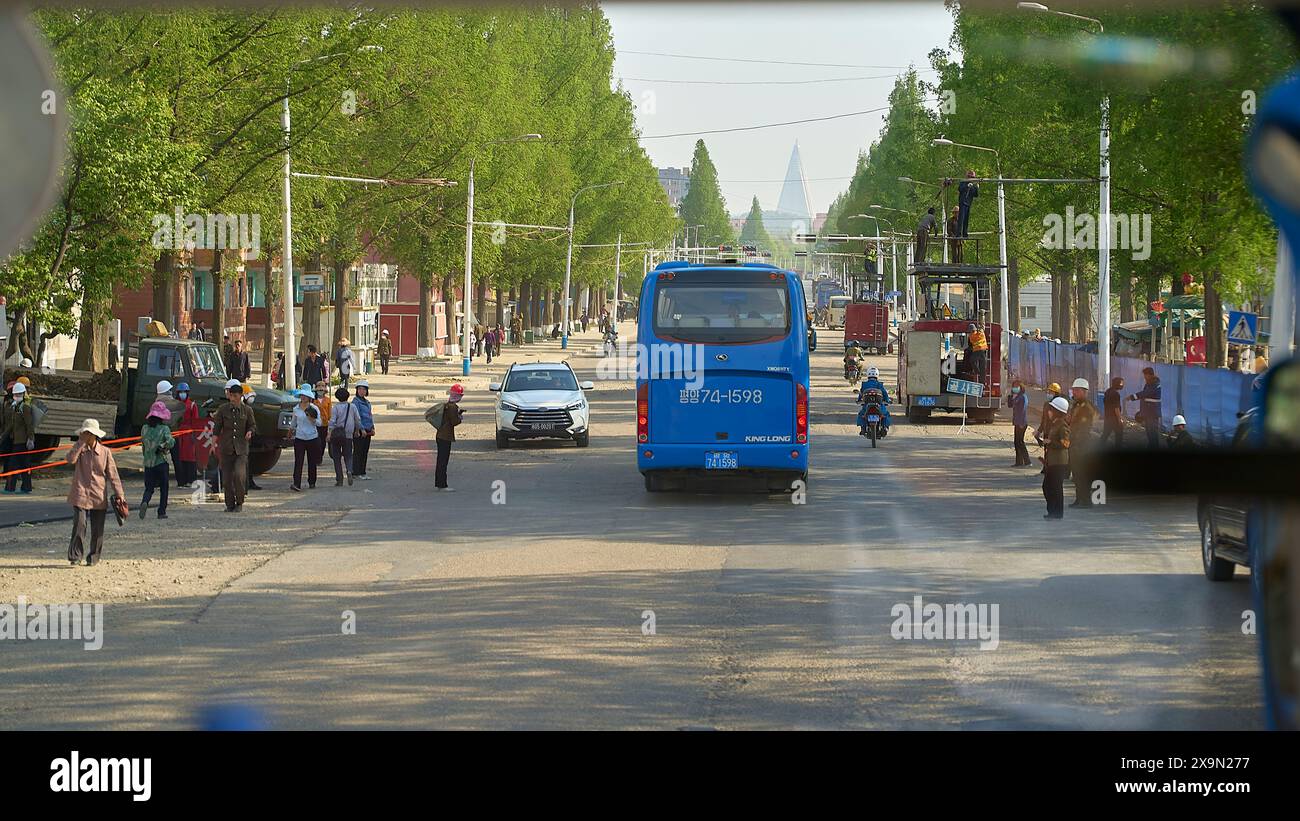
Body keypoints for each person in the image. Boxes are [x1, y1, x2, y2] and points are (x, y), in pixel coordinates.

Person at [66, 419, 126, 566]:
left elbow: (113, 474)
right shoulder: (80, 449)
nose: (86, 435)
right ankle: (75, 556)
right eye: (84, 433)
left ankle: (94, 557)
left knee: (97, 529)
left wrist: (120, 494)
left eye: (88, 433)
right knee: (80, 525)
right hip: (80, 493)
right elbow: (70, 459)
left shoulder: (105, 452)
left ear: (94, 435)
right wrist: (80, 443)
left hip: (98, 495)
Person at [211, 379, 255, 512]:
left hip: (241, 449)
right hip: (227, 448)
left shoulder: (247, 410)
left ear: (241, 396)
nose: (233, 398)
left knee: (239, 475)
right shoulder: (223, 410)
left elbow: (252, 425)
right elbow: (217, 429)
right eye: (231, 395)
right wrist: (213, 445)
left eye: (235, 396)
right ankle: (229, 504)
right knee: (227, 479)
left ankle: (240, 502)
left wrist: (249, 432)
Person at [1066, 378, 1099, 509]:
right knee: (1076, 474)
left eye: (1077, 391)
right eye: (1073, 390)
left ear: (1084, 392)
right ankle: (1079, 498)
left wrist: (1077, 442)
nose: (1074, 393)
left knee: (1082, 473)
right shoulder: (1076, 405)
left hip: (1082, 445)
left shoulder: (1087, 407)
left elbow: (1084, 428)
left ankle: (1086, 500)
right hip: (1074, 443)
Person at [138, 400, 173, 520]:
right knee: (164, 488)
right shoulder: (164, 429)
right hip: (161, 462)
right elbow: (170, 442)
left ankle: (145, 501)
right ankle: (161, 511)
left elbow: (143, 445)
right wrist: (162, 446)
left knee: (149, 488)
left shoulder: (144, 428)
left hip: (148, 463)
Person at [0, 382, 36, 494]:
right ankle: (26, 488)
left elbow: (29, 424)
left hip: (22, 441)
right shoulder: (16, 406)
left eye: (19, 394)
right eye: (15, 394)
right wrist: (3, 436)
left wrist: (30, 439)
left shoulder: (25, 407)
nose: (16, 396)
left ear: (23, 394)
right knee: (24, 465)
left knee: (13, 465)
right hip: (16, 440)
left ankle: (10, 488)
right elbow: (11, 425)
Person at [1040, 397, 1071, 519]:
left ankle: (1057, 513)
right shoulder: (1055, 424)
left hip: (1059, 462)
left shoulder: (1062, 426)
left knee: (1055, 488)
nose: (1049, 412)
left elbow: (1066, 444)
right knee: (1048, 486)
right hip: (1052, 461)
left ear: (1057, 411)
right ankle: (1052, 511)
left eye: (1051, 410)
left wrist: (1050, 442)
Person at [288, 388, 321, 491]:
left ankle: (312, 481)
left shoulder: (314, 408)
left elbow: (320, 423)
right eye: (302, 395)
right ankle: (296, 483)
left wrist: (313, 419)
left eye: (305, 396)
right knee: (298, 461)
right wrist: (290, 432)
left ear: (309, 397)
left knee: (312, 461)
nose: (303, 397)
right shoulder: (296, 409)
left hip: (312, 437)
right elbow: (293, 422)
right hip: (299, 438)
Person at [328, 386, 360, 486]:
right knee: (348, 455)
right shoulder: (353, 407)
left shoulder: (336, 408)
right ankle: (349, 470)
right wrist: (357, 430)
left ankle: (339, 479)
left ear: (337, 397)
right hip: (348, 435)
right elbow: (357, 420)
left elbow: (332, 422)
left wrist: (329, 434)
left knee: (336, 457)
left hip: (337, 435)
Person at [435, 384, 464, 491]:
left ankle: (439, 483)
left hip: (440, 435)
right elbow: (454, 421)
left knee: (440, 460)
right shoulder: (453, 407)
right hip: (445, 437)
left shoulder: (447, 405)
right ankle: (442, 485)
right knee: (443, 461)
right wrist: (460, 417)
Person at [173, 382, 202, 488]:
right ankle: (182, 481)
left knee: (190, 458)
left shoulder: (192, 405)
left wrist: (195, 434)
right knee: (180, 458)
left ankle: (191, 480)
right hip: (178, 434)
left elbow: (195, 420)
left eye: (184, 392)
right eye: (180, 392)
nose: (182, 394)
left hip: (189, 434)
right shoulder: (175, 404)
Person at [1127, 366, 1163, 448]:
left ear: (1150, 375)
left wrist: (1132, 397)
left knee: (1153, 433)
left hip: (1153, 414)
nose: (1144, 377)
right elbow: (1145, 397)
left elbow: (1145, 394)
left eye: (1145, 375)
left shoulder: (1156, 385)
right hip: (1148, 413)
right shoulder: (1149, 384)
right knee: (1149, 433)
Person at [856, 366, 891, 437]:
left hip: (867, 406)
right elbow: (885, 394)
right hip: (879, 406)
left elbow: (861, 394)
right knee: (885, 414)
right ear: (877, 374)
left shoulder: (864, 384)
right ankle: (885, 427)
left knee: (861, 414)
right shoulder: (879, 384)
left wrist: (859, 400)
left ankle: (863, 428)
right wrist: (887, 401)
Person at [352, 380, 375, 480]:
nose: (362, 391)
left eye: (364, 389)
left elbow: (369, 416)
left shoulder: (367, 402)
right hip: (360, 431)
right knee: (358, 451)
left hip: (368, 430)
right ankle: (356, 472)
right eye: (360, 389)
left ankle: (362, 471)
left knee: (365, 452)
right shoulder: (355, 402)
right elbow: (357, 417)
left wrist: (372, 427)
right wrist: (361, 429)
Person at [1008, 379, 1031, 467]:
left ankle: (1027, 461)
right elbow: (1010, 406)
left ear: (1021, 387)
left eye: (1017, 386)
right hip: (1016, 422)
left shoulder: (1023, 397)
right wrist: (1011, 397)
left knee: (1020, 442)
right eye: (1013, 386)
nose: (1015, 388)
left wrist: (1021, 423)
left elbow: (1023, 410)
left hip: (1022, 422)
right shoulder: (1016, 396)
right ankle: (1019, 461)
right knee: (1016, 442)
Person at [1099, 376, 1125, 446]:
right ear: (1117, 384)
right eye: (1121, 383)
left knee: (1105, 435)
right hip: (1114, 418)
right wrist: (1120, 419)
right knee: (1119, 436)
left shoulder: (1108, 391)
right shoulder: (1116, 394)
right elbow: (1116, 408)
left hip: (1107, 417)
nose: (1123, 385)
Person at [957, 169, 979, 237]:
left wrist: (977, 188)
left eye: (973, 177)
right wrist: (967, 186)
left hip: (968, 203)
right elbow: (960, 189)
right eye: (971, 177)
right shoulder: (963, 182)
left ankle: (964, 233)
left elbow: (976, 195)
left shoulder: (973, 185)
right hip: (963, 202)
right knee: (961, 218)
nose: (972, 179)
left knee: (966, 219)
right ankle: (959, 233)